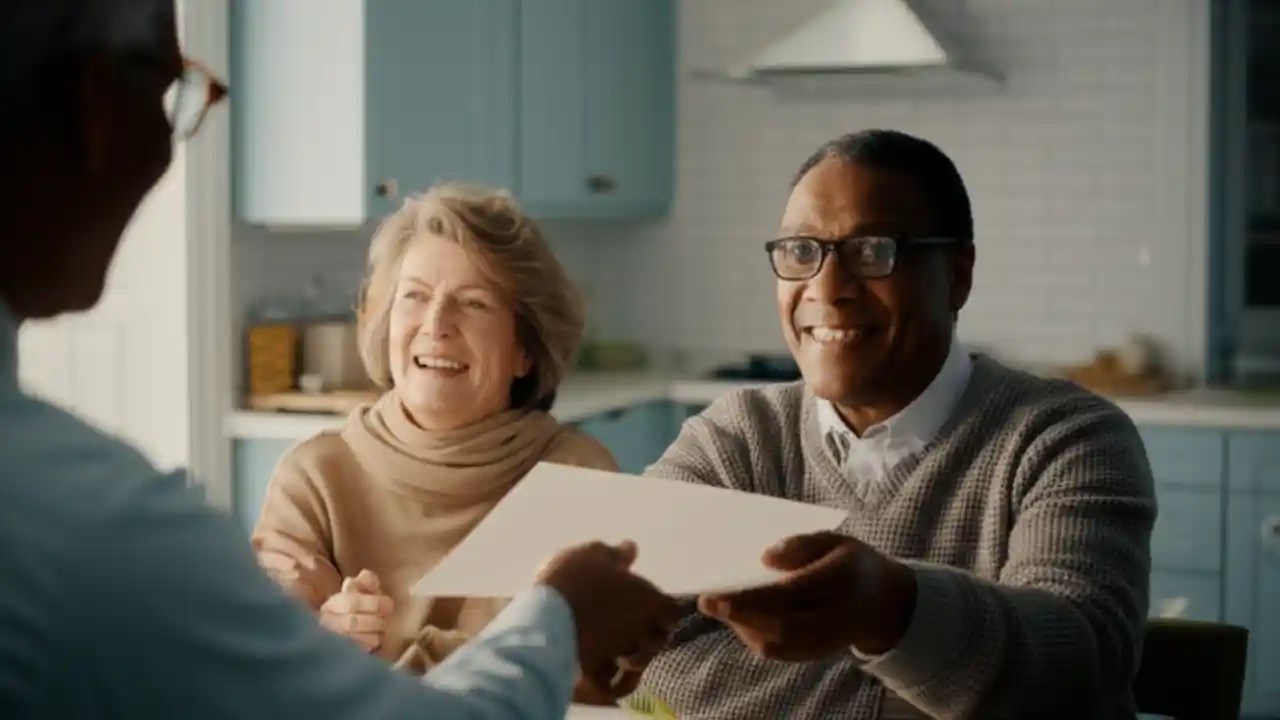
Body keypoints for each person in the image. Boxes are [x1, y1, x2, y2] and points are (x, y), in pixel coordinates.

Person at [0, 1, 678, 718]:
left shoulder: (81, 514)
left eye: (474, 303)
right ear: (95, 106)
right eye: (174, 96)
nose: (171, 151)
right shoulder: (98, 526)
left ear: (523, 348)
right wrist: (559, 620)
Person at [636, 129, 1156, 719]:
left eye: (873, 251)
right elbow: (642, 653)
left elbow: (1075, 668)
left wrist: (891, 609)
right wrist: (923, 678)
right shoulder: (734, 437)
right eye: (802, 251)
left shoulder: (1066, 438)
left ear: (958, 275)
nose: (827, 290)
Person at [252, 184, 619, 679]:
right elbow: (268, 663)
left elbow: (585, 674)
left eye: (473, 303)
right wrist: (323, 641)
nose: (436, 324)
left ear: (524, 351)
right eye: (415, 297)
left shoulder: (578, 475)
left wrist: (378, 658)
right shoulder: (314, 477)